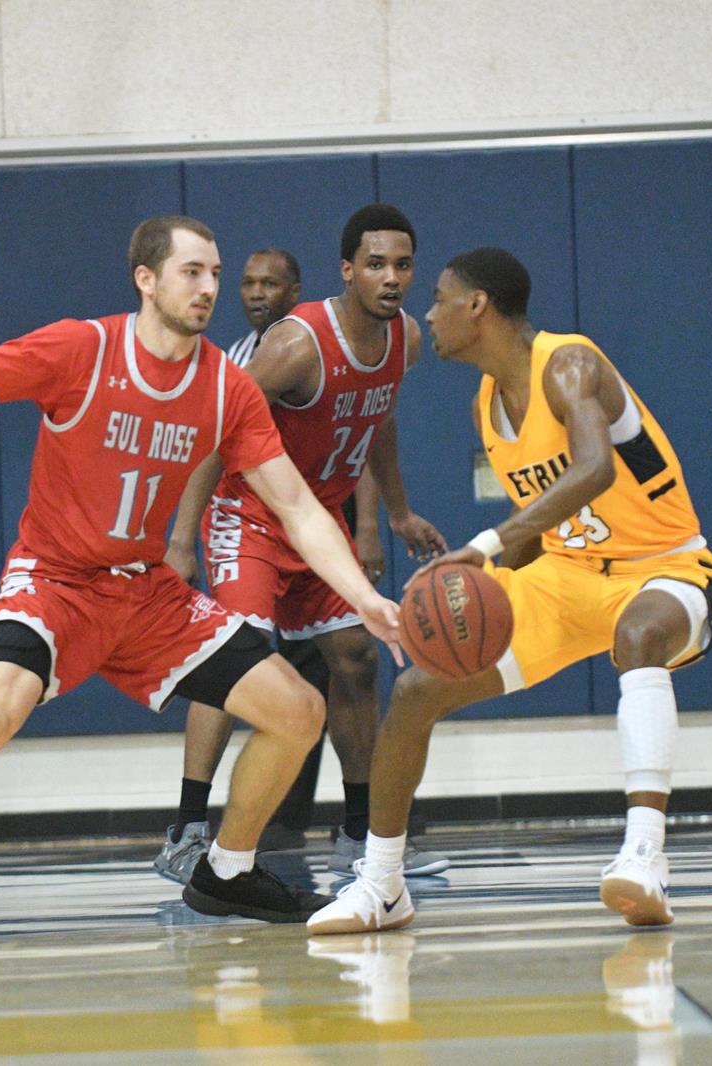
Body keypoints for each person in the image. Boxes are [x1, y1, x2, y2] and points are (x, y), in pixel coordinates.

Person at [0, 215, 403, 953]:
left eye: (215, 273)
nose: (209, 287)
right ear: (146, 280)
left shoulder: (225, 386)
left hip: (147, 595)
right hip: (55, 582)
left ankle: (227, 869)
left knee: (298, 709)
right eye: (193, 272)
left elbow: (299, 506)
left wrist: (365, 597)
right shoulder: (81, 349)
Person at [308, 246, 712, 935]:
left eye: (439, 298)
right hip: (566, 577)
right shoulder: (485, 406)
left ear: (478, 306)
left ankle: (645, 857)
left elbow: (592, 472)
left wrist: (484, 547)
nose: (428, 313)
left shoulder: (569, 363)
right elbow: (540, 527)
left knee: (638, 637)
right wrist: (475, 579)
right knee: (416, 692)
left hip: (663, 566)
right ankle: (382, 885)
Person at [154, 205, 451, 887]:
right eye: (376, 264)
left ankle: (357, 835)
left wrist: (396, 513)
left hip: (317, 520)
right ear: (347, 270)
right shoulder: (297, 345)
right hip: (250, 516)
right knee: (236, 663)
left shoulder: (402, 338)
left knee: (355, 660)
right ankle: (187, 831)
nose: (392, 277)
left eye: (403, 264)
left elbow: (378, 420)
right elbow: (213, 428)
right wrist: (180, 539)